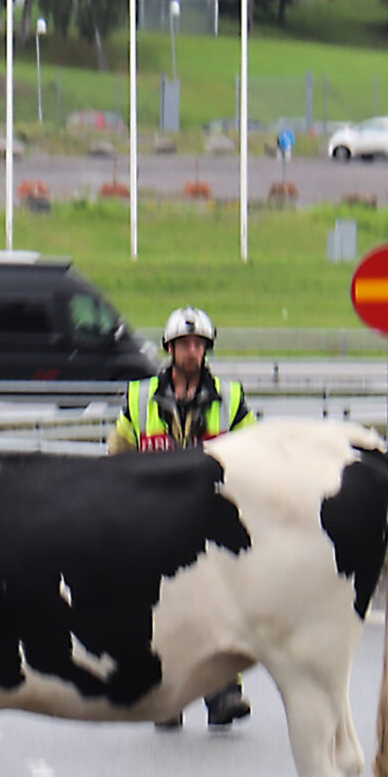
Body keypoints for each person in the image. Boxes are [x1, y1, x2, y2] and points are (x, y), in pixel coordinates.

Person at [111, 306, 256, 729]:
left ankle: (223, 691)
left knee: (219, 611)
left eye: (199, 345)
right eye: (184, 345)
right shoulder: (140, 399)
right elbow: (118, 454)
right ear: (170, 349)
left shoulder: (229, 399)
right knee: (162, 613)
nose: (192, 352)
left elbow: (253, 454)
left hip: (210, 522)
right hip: (154, 521)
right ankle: (166, 696)